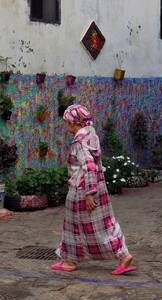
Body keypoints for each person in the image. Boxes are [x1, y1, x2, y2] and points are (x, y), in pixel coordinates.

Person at [51, 103, 135, 275]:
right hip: (98, 186)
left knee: (77, 225)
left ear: (75, 122)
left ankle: (71, 260)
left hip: (82, 189)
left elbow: (88, 166)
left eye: (68, 123)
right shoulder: (91, 134)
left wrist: (89, 194)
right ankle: (120, 254)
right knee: (103, 222)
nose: (67, 126)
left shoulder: (80, 142)